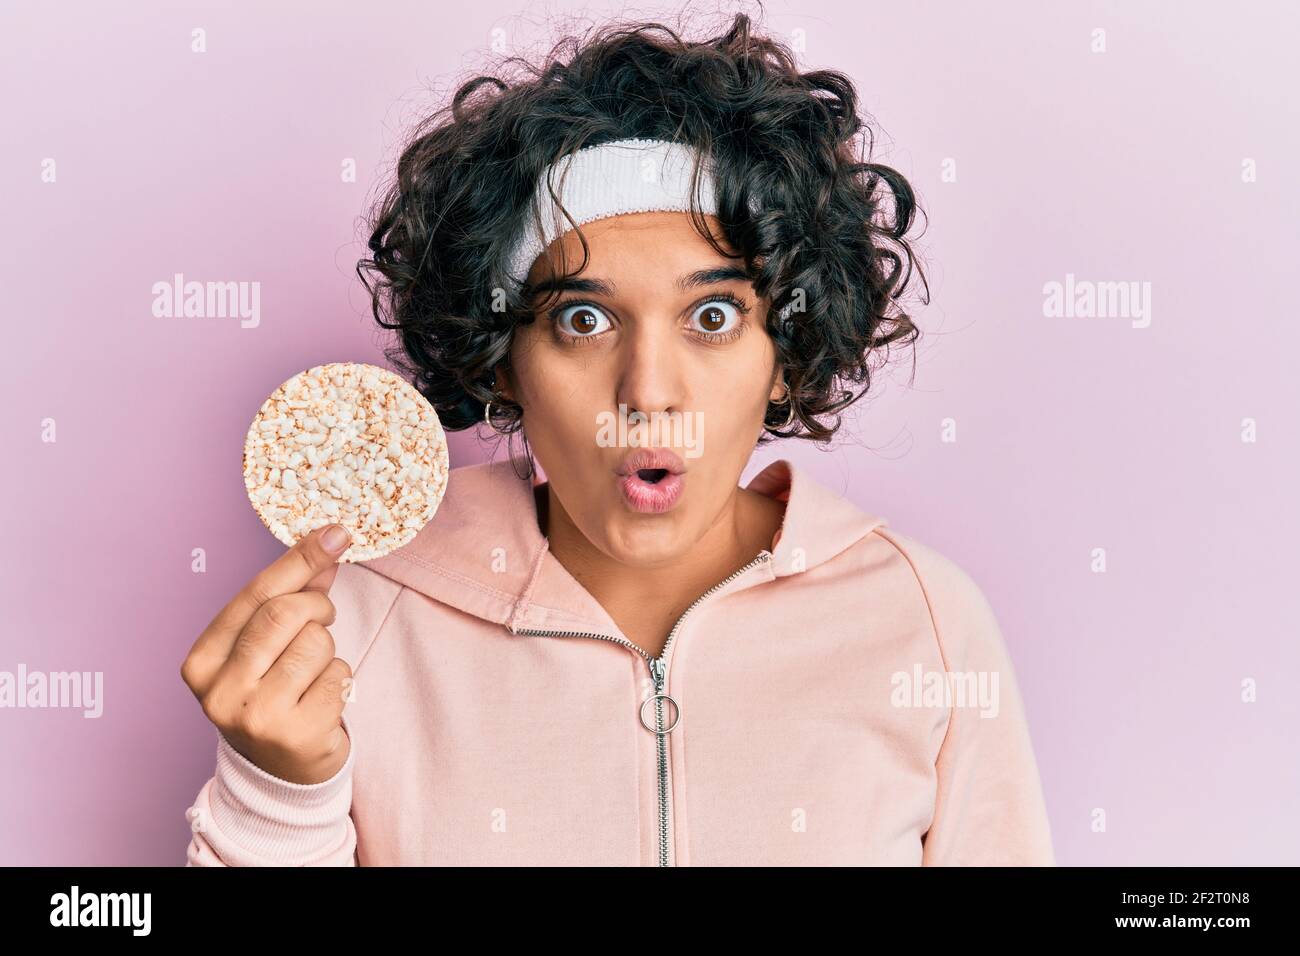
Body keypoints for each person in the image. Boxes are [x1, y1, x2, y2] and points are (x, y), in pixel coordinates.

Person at [180, 12, 1054, 866]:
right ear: (503, 365)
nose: (647, 392)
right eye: (583, 320)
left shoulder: (924, 622)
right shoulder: (356, 625)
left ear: (784, 357)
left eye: (713, 317)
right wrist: (276, 802)